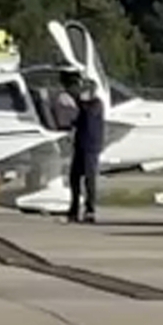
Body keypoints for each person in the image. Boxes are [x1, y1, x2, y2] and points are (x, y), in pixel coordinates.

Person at [67, 78, 104, 224]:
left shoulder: (96, 104)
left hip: (91, 147)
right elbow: (80, 120)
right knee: (74, 178)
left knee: (89, 179)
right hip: (80, 145)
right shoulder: (84, 106)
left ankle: (90, 210)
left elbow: (88, 113)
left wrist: (77, 100)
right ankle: (74, 210)